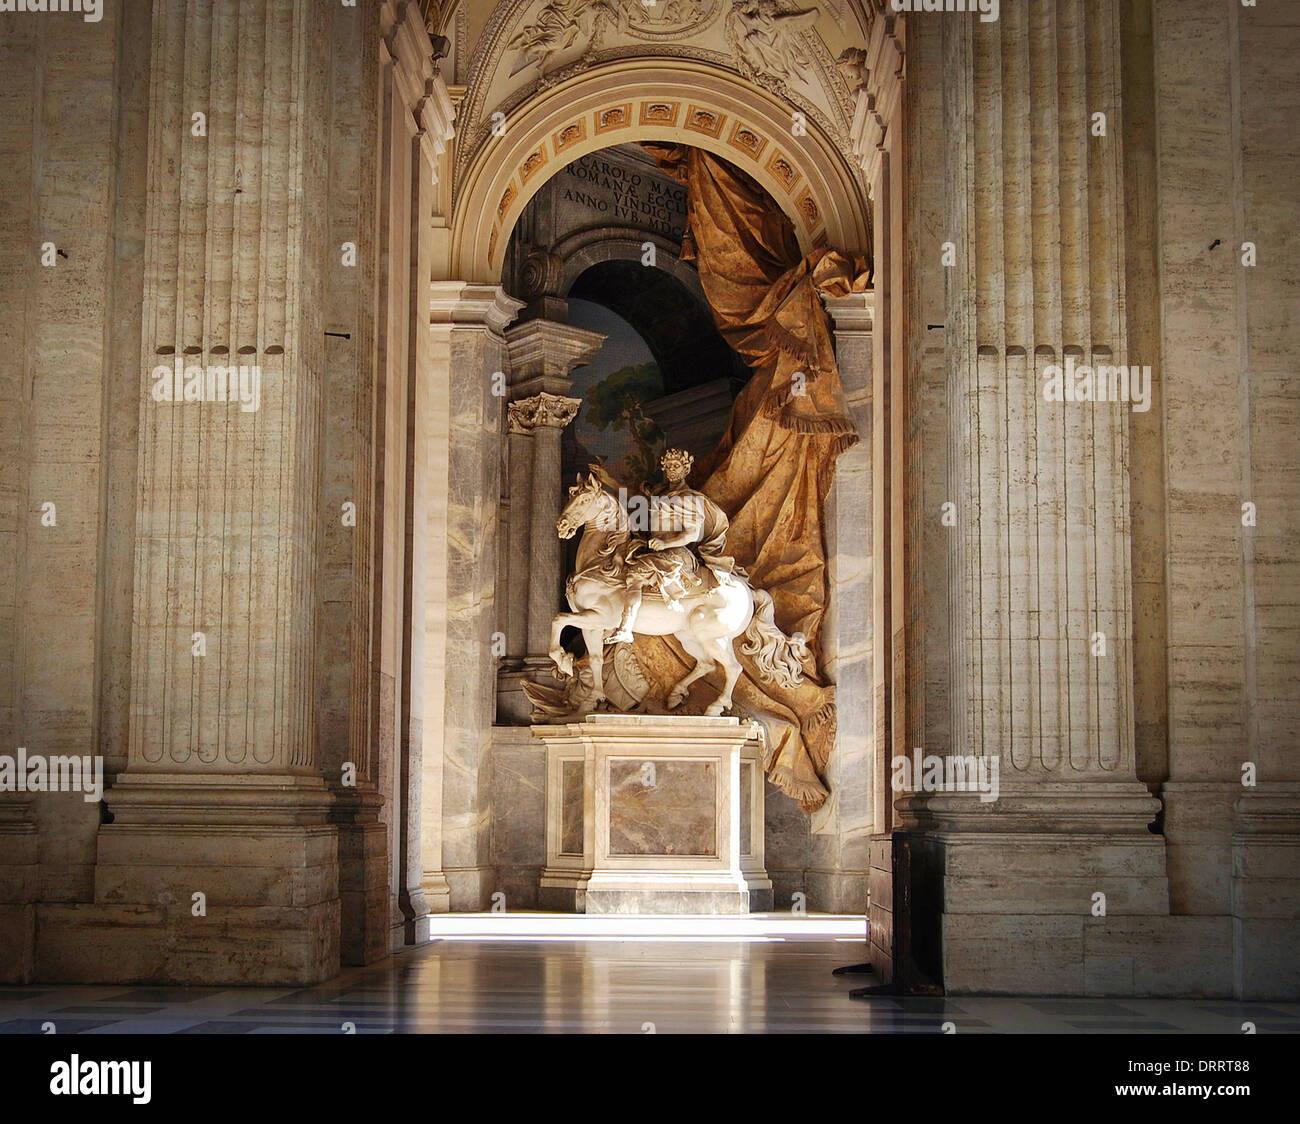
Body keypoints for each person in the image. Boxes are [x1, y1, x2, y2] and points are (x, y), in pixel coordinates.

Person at [607, 448, 743, 644]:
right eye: (668, 466)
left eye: (676, 465)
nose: (672, 469)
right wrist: (609, 481)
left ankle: (626, 627)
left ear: (686, 469)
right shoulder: (660, 493)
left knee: (635, 574)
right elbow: (632, 495)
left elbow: (692, 533)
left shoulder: (689, 498)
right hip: (652, 548)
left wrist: (665, 543)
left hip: (676, 552)